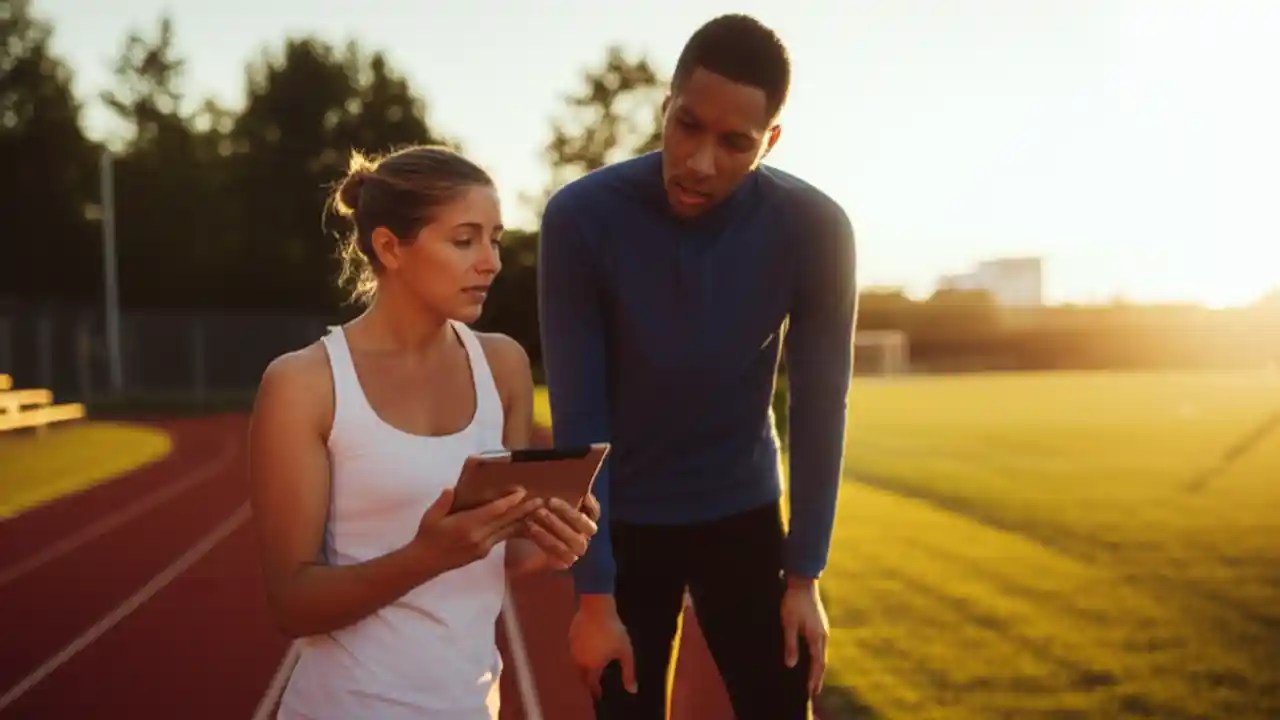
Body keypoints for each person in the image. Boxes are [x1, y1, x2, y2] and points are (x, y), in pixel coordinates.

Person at [537, 13, 857, 720]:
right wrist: (594, 596)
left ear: (769, 141)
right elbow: (578, 413)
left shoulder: (815, 228)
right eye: (687, 126)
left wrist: (805, 576)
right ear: (666, 108)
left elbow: (821, 402)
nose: (700, 161)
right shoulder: (581, 219)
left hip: (741, 514)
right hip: (623, 523)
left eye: (734, 142)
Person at [248, 144, 600, 720]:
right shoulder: (304, 384)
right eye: (464, 240)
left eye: (495, 239)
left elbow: (504, 553)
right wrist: (425, 556)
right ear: (390, 247)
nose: (490, 261)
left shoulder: (502, 365)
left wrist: (554, 535)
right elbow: (292, 603)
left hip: (471, 705)